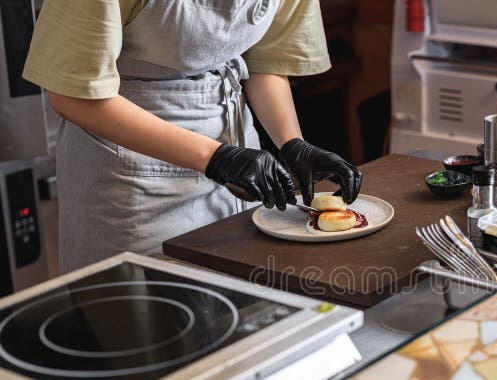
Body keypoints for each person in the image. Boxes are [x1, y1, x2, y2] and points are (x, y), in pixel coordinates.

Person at [23, 0, 362, 272]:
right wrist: (215, 156)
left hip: (238, 167)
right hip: (133, 180)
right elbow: (71, 95)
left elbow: (266, 61)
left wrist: (292, 142)